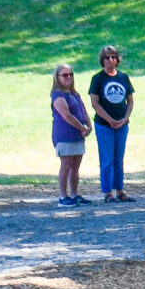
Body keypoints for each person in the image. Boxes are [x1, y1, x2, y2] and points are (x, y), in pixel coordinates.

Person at [88, 44, 135, 202]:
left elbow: (130, 100)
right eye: (107, 58)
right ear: (102, 60)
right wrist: (110, 120)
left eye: (113, 57)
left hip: (122, 124)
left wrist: (126, 117)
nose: (110, 60)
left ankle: (120, 190)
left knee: (118, 158)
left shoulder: (123, 77)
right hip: (104, 125)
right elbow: (95, 103)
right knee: (107, 159)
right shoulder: (97, 79)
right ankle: (108, 192)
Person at [50, 64, 92, 207]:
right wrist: (82, 128)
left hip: (78, 135)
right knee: (66, 165)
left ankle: (75, 194)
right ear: (57, 77)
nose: (68, 77)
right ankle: (63, 196)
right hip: (65, 135)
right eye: (65, 75)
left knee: (76, 166)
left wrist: (89, 125)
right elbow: (66, 115)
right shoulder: (58, 95)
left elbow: (83, 110)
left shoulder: (74, 94)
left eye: (71, 74)